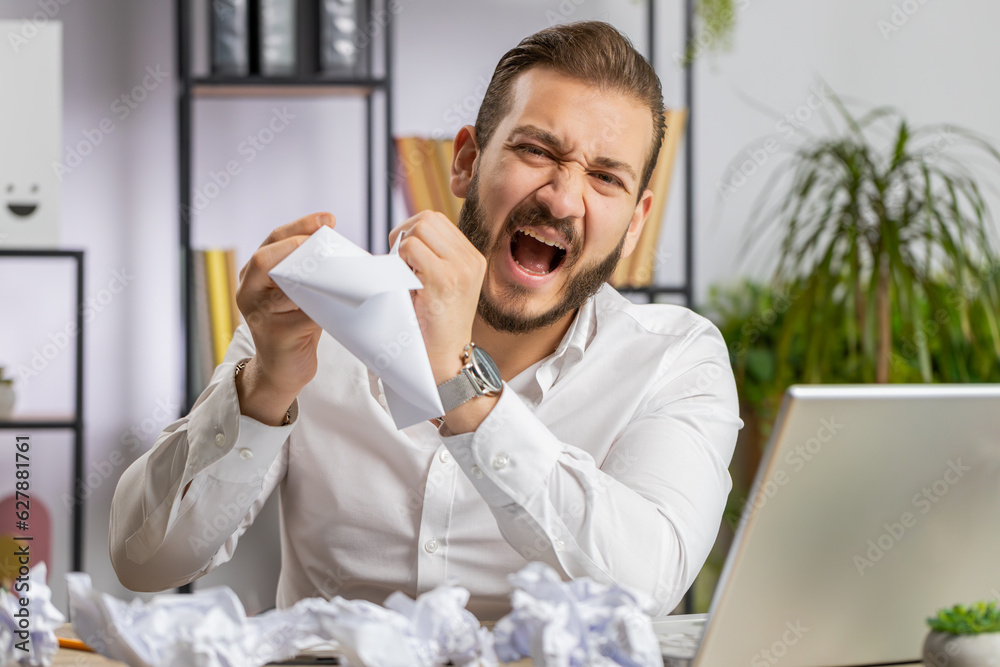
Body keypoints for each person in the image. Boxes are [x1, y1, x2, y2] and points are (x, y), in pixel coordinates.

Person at [109, 20, 741, 620]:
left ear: (635, 221)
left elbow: (648, 583)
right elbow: (144, 561)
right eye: (535, 150)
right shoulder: (314, 322)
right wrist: (264, 387)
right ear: (465, 161)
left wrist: (457, 381)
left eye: (605, 178)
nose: (562, 198)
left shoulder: (674, 358)